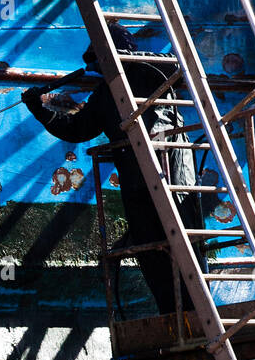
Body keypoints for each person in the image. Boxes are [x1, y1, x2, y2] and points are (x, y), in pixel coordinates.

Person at [21, 24, 203, 315]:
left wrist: (123, 59)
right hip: (138, 183)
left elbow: (176, 66)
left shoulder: (150, 73)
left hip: (175, 173)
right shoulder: (107, 95)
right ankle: (173, 316)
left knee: (184, 246)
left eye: (101, 57)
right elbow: (77, 129)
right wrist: (39, 109)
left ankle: (198, 313)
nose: (98, 65)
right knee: (151, 250)